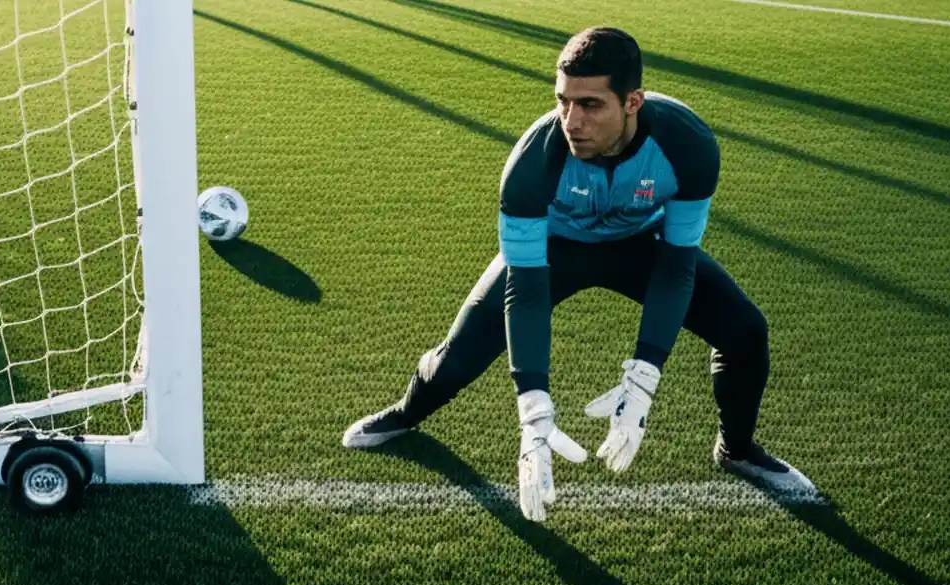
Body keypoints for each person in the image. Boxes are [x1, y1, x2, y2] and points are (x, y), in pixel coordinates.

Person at [341, 27, 815, 521]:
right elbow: (524, 294)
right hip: (555, 248)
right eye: (563, 102)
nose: (572, 121)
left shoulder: (688, 145)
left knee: (745, 330)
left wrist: (644, 375)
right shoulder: (531, 163)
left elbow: (677, 267)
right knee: (456, 358)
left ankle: (737, 449)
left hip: (642, 248)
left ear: (633, 101)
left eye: (590, 105)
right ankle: (406, 412)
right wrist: (533, 412)